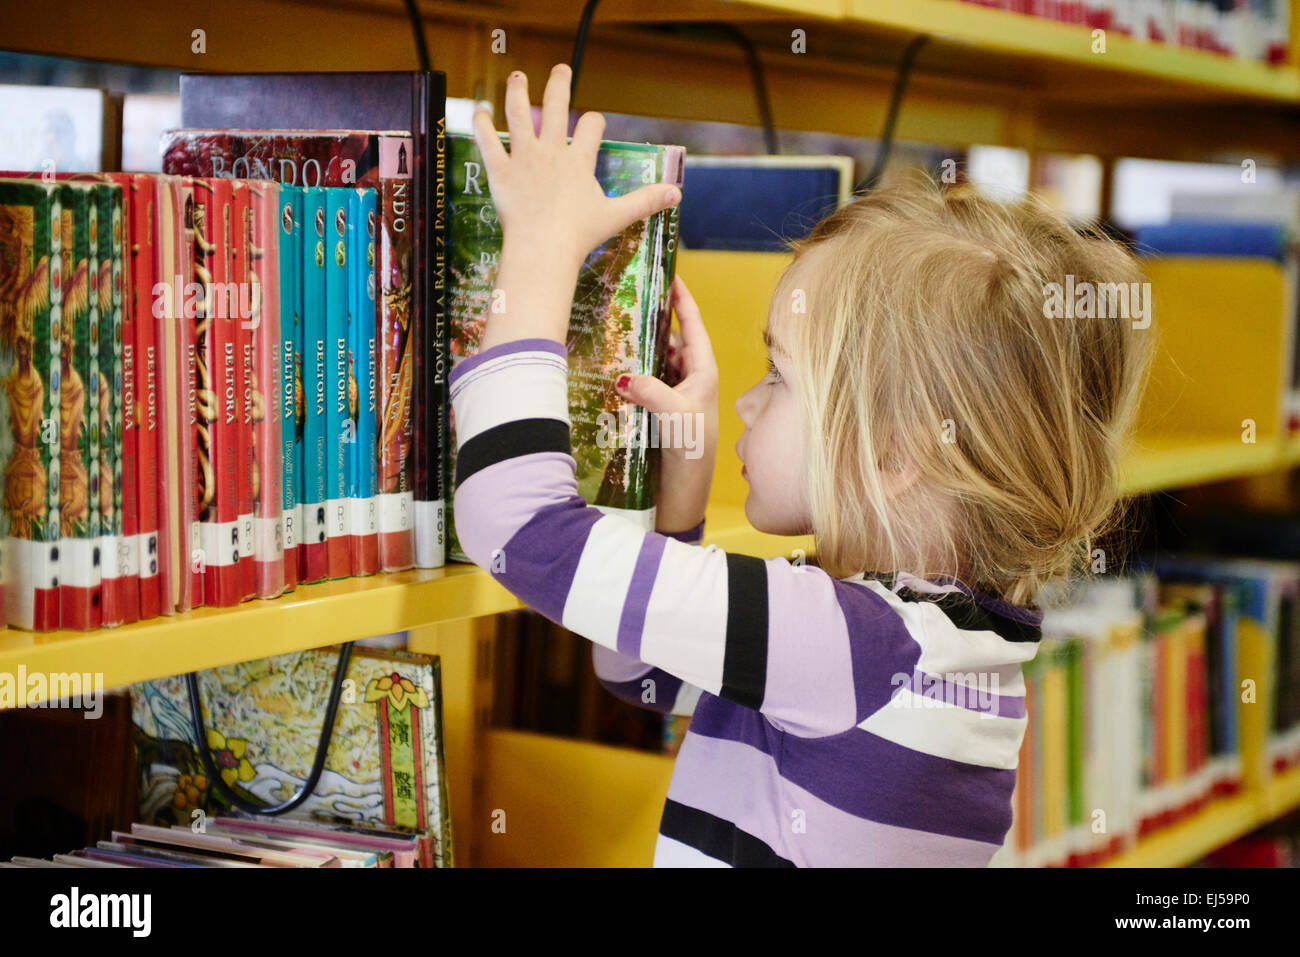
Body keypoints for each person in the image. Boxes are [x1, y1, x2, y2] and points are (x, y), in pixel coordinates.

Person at [454, 63, 1154, 866]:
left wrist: (538, 257)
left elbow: (517, 524)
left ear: (895, 451)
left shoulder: (852, 647)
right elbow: (645, 678)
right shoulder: (947, 647)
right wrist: (679, 498)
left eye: (780, 375)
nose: (748, 403)